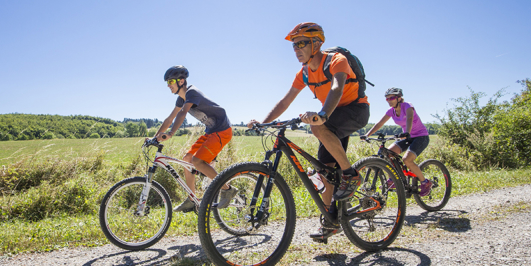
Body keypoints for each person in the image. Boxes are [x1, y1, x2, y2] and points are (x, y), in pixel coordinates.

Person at [248, 22, 370, 241]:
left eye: (301, 43)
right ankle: (331, 220)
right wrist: (263, 123)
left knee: (317, 127)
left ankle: (351, 175)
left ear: (317, 43)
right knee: (326, 170)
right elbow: (285, 101)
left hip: (355, 110)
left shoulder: (336, 61)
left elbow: (337, 88)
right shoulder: (304, 73)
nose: (296, 49)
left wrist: (322, 115)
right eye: (294, 45)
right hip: (331, 117)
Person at [155, 65, 237, 212]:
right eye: (167, 82)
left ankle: (227, 189)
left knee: (197, 161)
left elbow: (182, 113)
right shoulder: (181, 99)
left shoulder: (192, 92)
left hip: (222, 130)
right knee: (187, 159)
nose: (168, 85)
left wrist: (171, 133)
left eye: (171, 81)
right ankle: (192, 199)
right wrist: (155, 137)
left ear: (181, 81)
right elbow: (170, 118)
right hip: (211, 131)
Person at [361, 87, 432, 196]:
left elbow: (409, 118)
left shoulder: (407, 106)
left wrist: (407, 132)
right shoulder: (391, 111)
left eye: (392, 98)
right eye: (387, 99)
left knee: (407, 160)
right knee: (387, 153)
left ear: (399, 98)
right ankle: (393, 179)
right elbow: (379, 123)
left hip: (420, 136)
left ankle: (425, 182)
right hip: (407, 137)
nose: (389, 101)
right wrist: (367, 135)